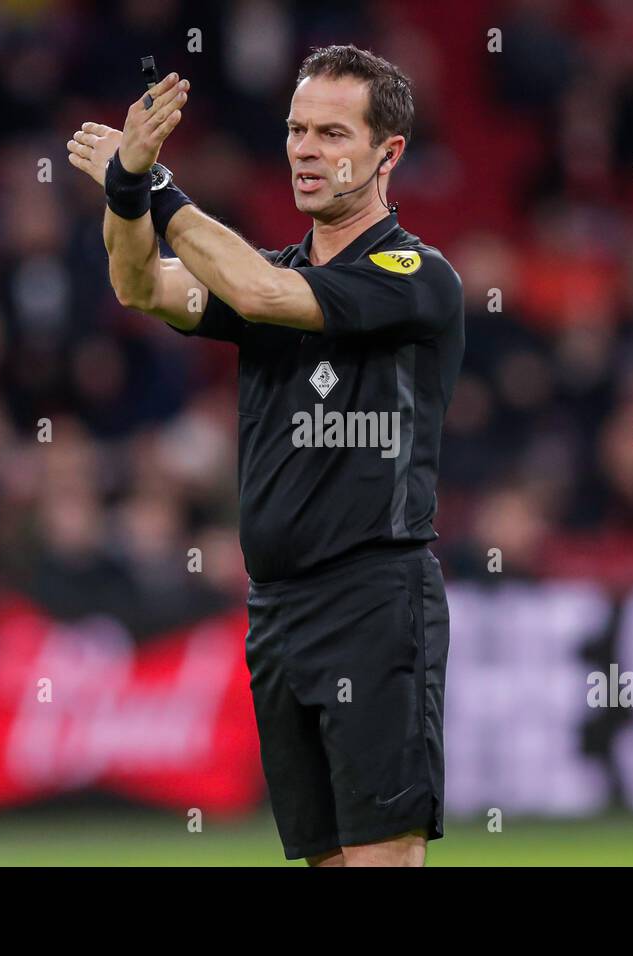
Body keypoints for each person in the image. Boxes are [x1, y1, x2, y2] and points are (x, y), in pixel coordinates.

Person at [66, 44, 464, 866]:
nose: (305, 150)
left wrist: (159, 184)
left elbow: (259, 293)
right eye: (295, 129)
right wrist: (126, 186)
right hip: (278, 612)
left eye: (332, 133)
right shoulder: (271, 271)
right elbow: (139, 285)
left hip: (373, 601)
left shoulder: (415, 275)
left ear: (388, 153)